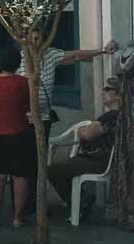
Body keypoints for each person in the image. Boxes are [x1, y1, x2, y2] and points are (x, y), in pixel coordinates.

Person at [17, 24, 117, 214]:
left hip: (43, 119)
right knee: (24, 163)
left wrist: (102, 51)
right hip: (22, 119)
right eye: (32, 38)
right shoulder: (20, 59)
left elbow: (76, 55)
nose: (35, 42)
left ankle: (35, 205)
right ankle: (23, 205)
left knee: (38, 162)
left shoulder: (51, 55)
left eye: (39, 38)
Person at [48, 78, 122, 222]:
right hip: (93, 158)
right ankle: (82, 201)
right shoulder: (111, 116)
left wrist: (85, 131)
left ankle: (82, 203)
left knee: (53, 170)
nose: (103, 92)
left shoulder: (113, 116)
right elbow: (86, 132)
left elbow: (86, 133)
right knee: (58, 169)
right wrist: (87, 130)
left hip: (97, 160)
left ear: (118, 95)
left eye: (107, 90)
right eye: (103, 89)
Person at [0, 44, 34, 227]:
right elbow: (29, 106)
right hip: (19, 134)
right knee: (20, 177)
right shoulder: (22, 83)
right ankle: (17, 218)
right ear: (17, 63)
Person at [110, 40, 134, 231]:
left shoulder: (119, 59)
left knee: (127, 164)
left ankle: (128, 214)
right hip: (132, 121)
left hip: (127, 121)